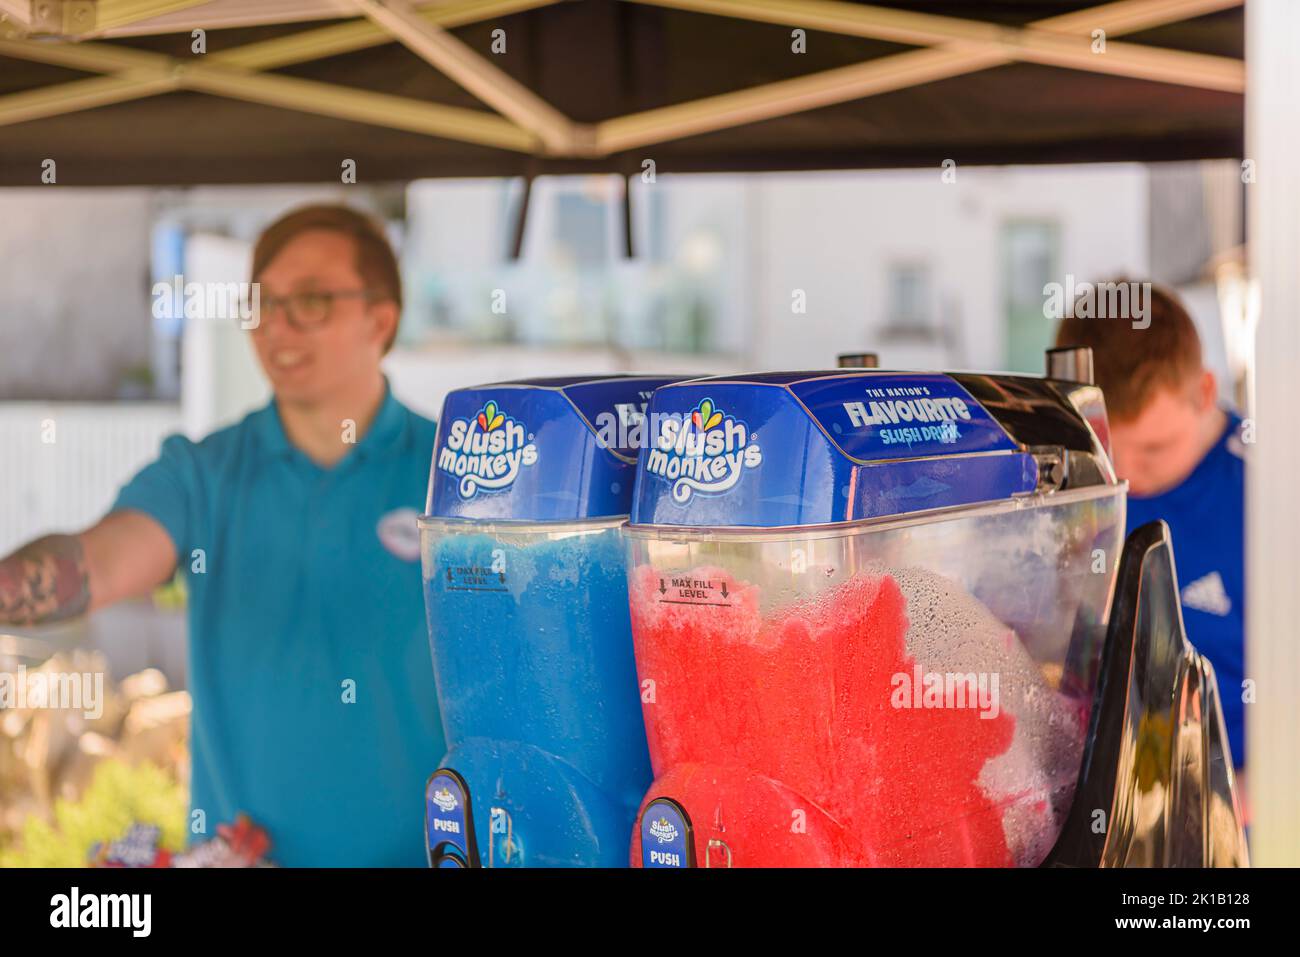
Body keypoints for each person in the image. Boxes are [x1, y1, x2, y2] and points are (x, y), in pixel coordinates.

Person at [0, 204, 445, 866]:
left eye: (313, 300)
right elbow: (98, 561)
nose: (277, 324)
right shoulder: (201, 474)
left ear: (381, 319)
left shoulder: (455, 472)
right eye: (261, 302)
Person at [1055, 282, 1246, 776]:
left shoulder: (1271, 493)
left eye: (1155, 448)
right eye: (1110, 449)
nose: (1129, 475)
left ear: (1204, 391)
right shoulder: (1075, 483)